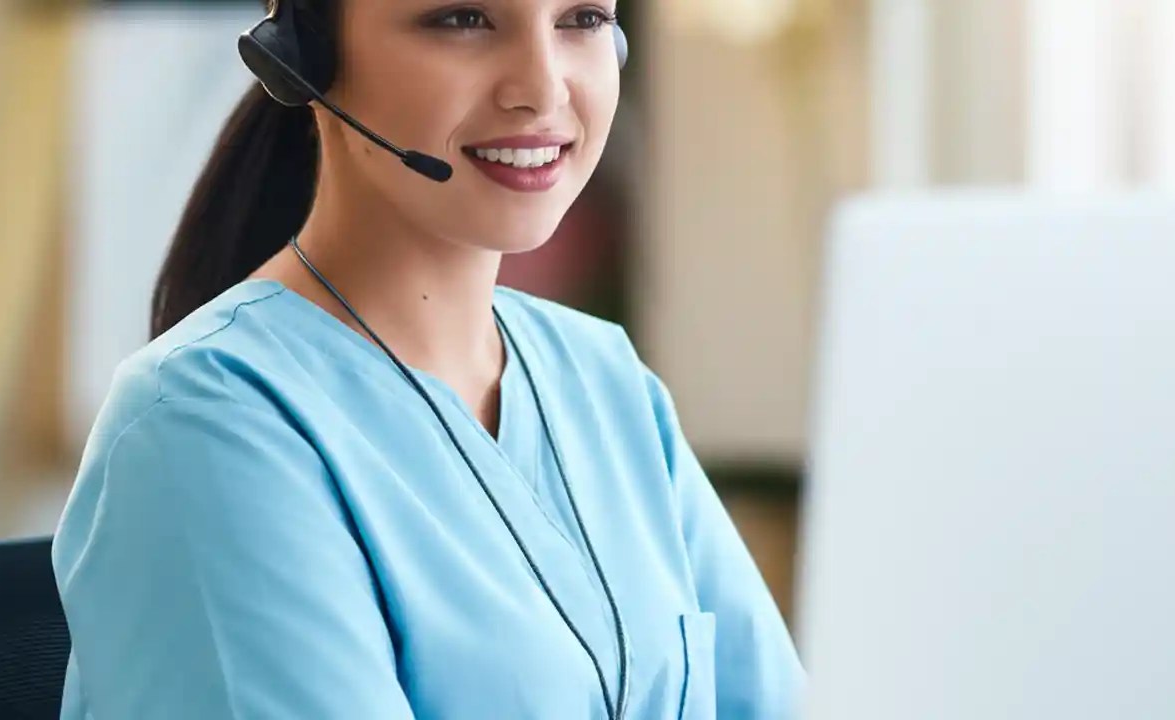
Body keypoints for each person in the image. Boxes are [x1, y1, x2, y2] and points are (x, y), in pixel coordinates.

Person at [52, 1, 803, 718]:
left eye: (584, 20)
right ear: (309, 56)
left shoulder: (605, 381)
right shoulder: (201, 429)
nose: (542, 87)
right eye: (463, 19)